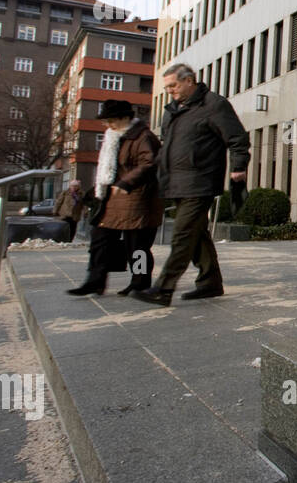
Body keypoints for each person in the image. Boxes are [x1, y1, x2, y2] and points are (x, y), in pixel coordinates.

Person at [133, 63, 249, 307]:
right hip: (175, 182)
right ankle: (210, 283)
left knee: (183, 235)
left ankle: (163, 289)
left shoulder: (213, 105)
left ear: (189, 81)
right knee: (197, 235)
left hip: (201, 181)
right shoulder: (172, 111)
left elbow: (237, 137)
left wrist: (239, 168)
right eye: (167, 87)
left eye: (173, 86)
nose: (170, 91)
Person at [67, 100, 164, 296]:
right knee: (100, 240)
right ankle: (95, 280)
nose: (107, 125)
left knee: (137, 245)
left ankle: (140, 282)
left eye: (111, 120)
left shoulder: (143, 136)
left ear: (125, 118)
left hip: (137, 196)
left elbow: (149, 163)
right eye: (106, 121)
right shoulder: (112, 136)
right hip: (112, 197)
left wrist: (126, 183)